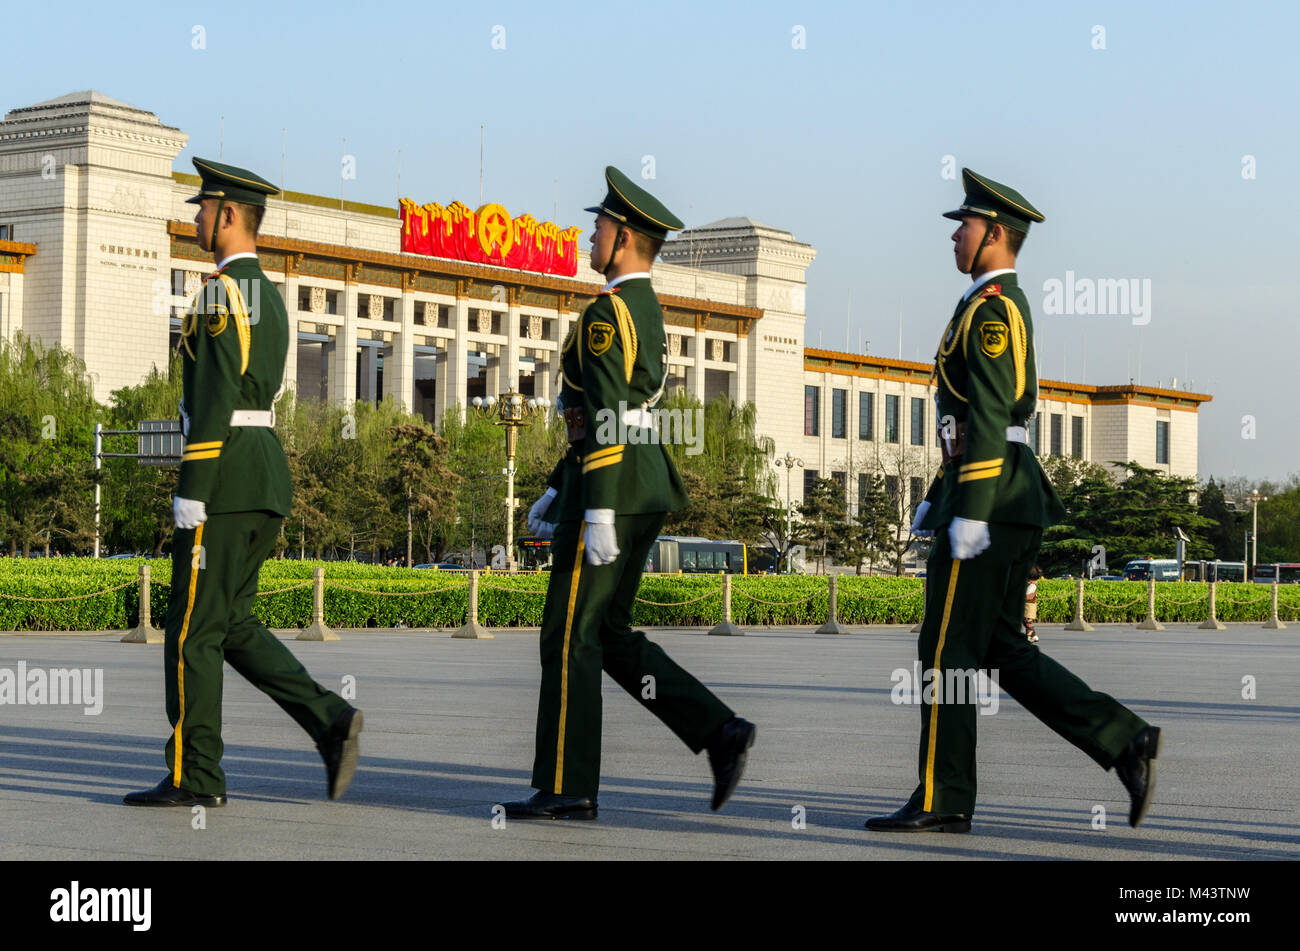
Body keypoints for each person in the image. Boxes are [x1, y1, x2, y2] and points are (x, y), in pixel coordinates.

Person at [865, 169, 1160, 833]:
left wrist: (969, 508)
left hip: (993, 498)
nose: (953, 235)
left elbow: (994, 408)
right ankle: (1123, 737)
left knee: (944, 650)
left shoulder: (994, 307)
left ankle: (943, 797)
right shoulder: (985, 301)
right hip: (999, 491)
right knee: (999, 647)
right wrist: (946, 492)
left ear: (994, 233)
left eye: (963, 224)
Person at [502, 167, 755, 820]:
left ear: (625, 238)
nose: (592, 231)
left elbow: (609, 407)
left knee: (567, 635)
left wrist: (596, 507)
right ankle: (718, 729)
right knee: (608, 634)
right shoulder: (643, 305)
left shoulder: (608, 313)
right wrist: (561, 487)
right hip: (638, 481)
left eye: (601, 224)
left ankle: (567, 784)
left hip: (613, 488)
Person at [125, 158, 362, 808]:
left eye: (203, 208)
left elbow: (214, 397)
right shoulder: (271, 299)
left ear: (229, 215)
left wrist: (192, 483)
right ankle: (330, 719)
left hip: (224, 476)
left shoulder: (218, 296)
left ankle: (195, 775)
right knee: (230, 623)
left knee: (190, 629)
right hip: (265, 472)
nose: (194, 216)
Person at [1024, 565, 1041, 643]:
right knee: (1027, 621)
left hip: (1029, 606)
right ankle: (1033, 635)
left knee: (1027, 622)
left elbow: (1029, 596)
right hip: (1029, 606)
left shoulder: (1032, 585)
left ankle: (1030, 635)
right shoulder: (1031, 584)